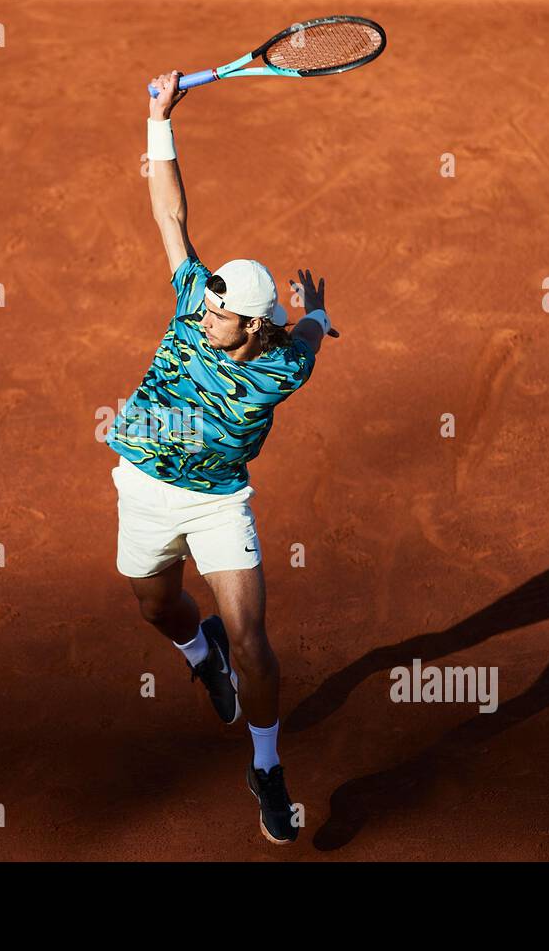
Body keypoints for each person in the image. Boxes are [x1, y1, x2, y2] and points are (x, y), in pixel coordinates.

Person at [105, 70, 339, 844]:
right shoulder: (191, 302)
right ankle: (193, 648)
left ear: (253, 325)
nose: (205, 317)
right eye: (205, 305)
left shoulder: (284, 364)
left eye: (221, 314)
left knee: (255, 640)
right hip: (141, 483)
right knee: (153, 603)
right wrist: (157, 119)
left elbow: (307, 338)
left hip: (218, 504)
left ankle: (267, 767)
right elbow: (171, 213)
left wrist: (320, 316)